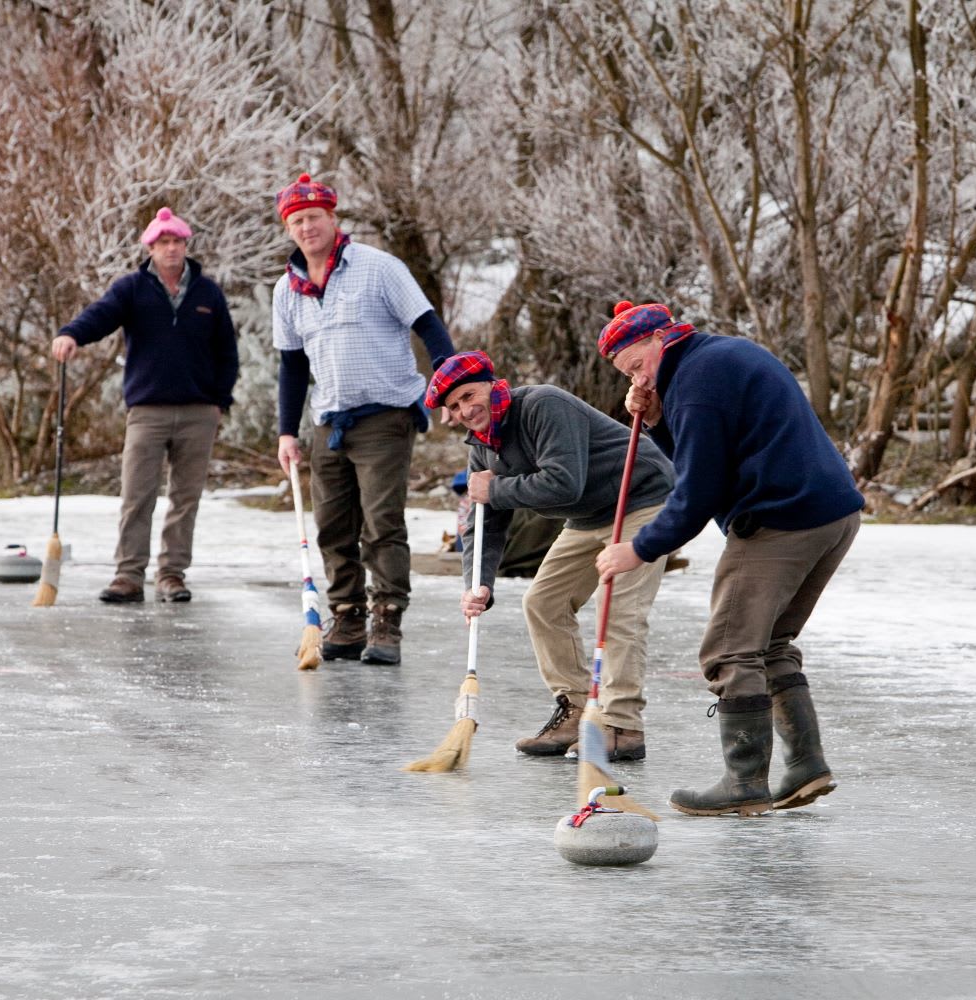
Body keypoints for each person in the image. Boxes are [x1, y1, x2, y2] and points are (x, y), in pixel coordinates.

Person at [593, 300, 864, 816]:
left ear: (659, 340)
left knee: (729, 650)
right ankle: (807, 766)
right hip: (832, 513)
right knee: (770, 643)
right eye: (628, 374)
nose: (637, 378)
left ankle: (743, 784)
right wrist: (654, 416)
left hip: (782, 519)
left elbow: (697, 491)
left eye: (636, 366)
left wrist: (639, 548)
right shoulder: (714, 359)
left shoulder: (696, 384)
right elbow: (704, 457)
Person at [426, 351, 675, 761]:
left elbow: (564, 484)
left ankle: (622, 726)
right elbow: (483, 522)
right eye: (454, 406)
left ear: (490, 384)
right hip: (588, 515)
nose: (466, 409)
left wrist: (496, 489)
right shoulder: (483, 447)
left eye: (469, 395)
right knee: (543, 603)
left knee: (620, 612)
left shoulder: (543, 404)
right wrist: (478, 584)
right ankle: (577, 708)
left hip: (640, 499)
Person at [271, 173, 454, 665]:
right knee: (332, 524)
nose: (307, 227)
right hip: (327, 419)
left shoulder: (378, 268)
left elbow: (427, 325)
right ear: (288, 229)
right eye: (297, 221)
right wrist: (287, 431)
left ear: (332, 219)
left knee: (381, 523)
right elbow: (292, 366)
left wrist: (454, 382)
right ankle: (347, 615)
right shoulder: (286, 290)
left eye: (314, 217)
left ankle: (387, 619)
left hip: (385, 413)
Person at [51, 207, 238, 604]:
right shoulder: (132, 289)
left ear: (186, 246)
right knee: (138, 494)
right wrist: (71, 335)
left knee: (185, 498)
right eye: (163, 243)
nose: (171, 249)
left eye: (177, 242)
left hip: (199, 411)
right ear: (151, 248)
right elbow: (99, 316)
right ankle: (129, 575)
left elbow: (227, 352)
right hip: (147, 411)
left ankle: (172, 574)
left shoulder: (208, 292)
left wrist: (219, 400)